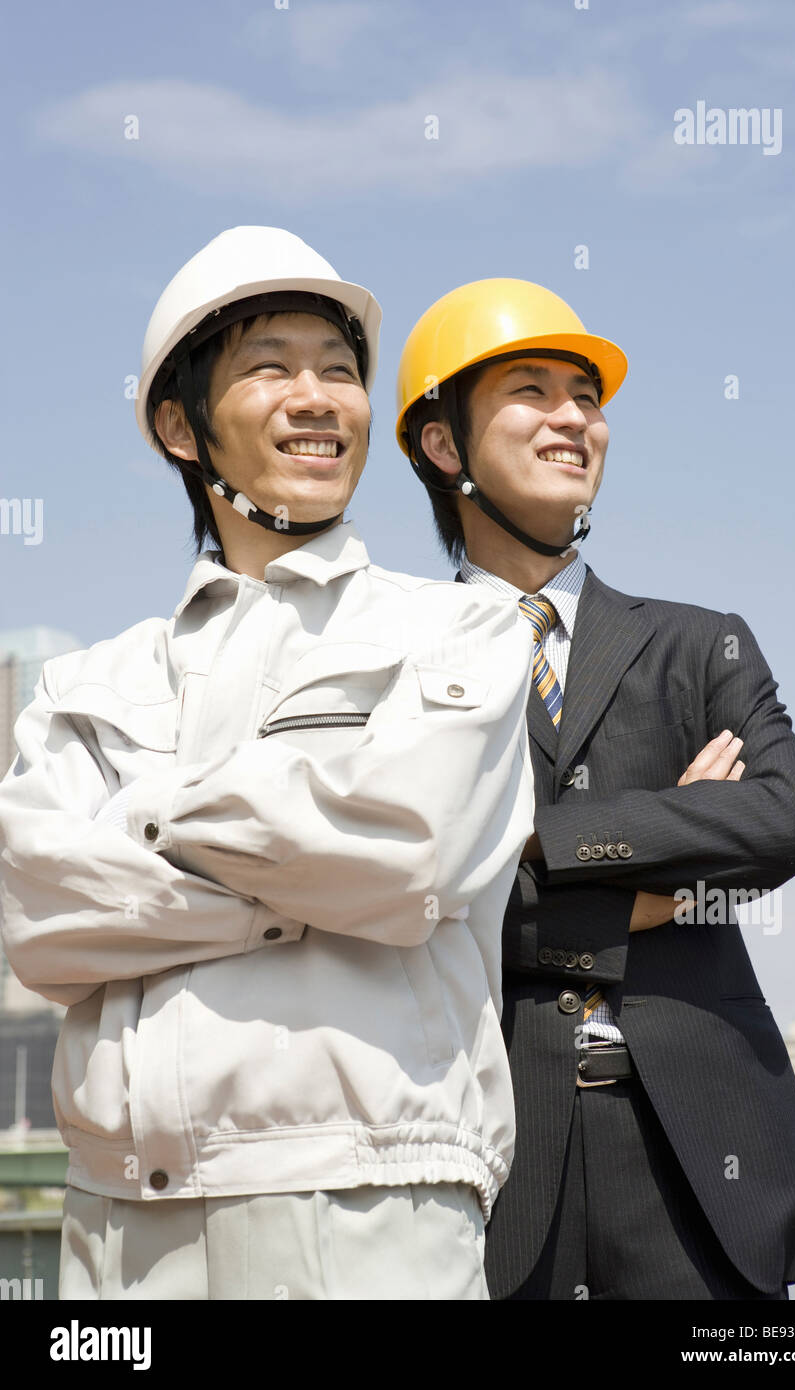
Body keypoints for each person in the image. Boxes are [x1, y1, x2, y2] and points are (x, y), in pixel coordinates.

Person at [0, 230, 536, 1301]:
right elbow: (41, 922)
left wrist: (138, 820)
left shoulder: (463, 632)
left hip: (366, 1202)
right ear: (177, 426)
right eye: (269, 367)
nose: (316, 397)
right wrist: (300, 882)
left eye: (338, 371)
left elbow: (402, 860)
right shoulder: (85, 683)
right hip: (114, 1230)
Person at [395, 276, 795, 1300]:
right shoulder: (389, 664)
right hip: (487, 1162)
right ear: (443, 445)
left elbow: (779, 818)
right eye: (531, 389)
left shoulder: (697, 643)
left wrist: (535, 842)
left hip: (704, 1162)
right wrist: (655, 876)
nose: (572, 418)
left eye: (585, 397)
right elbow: (405, 902)